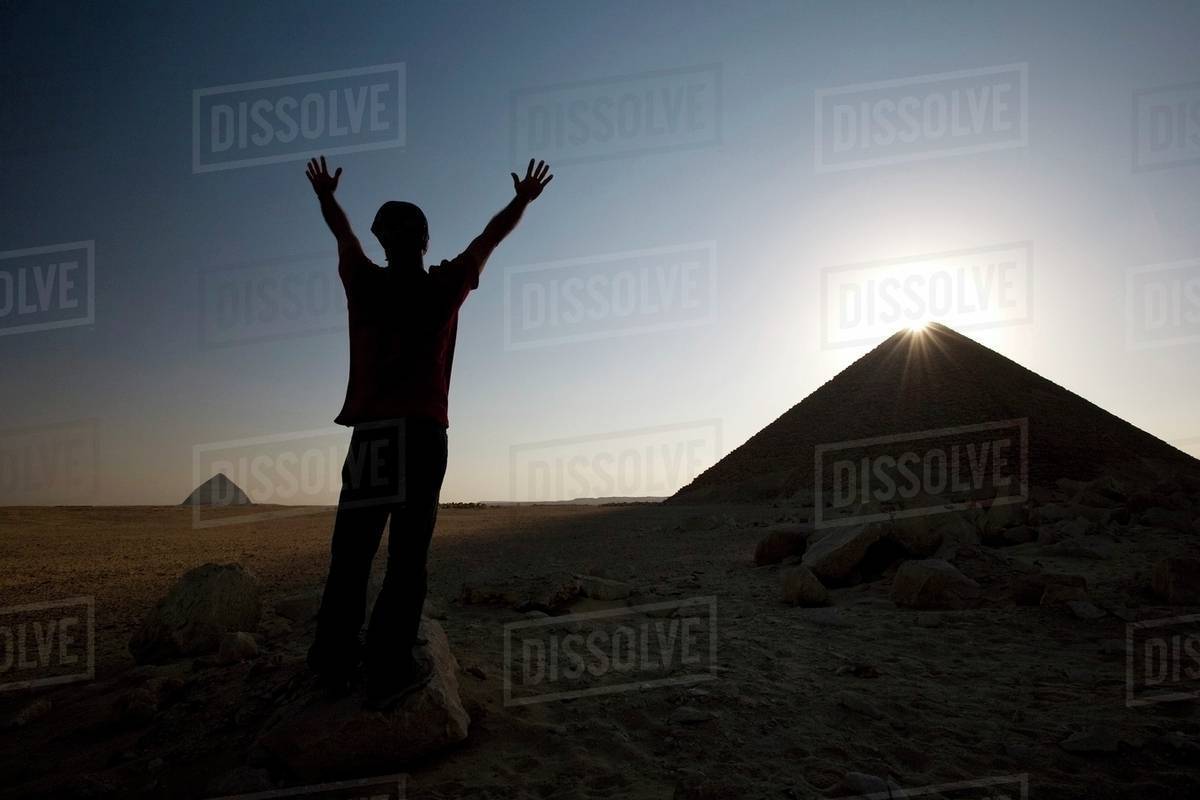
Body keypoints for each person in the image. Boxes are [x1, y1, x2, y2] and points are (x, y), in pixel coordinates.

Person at [304, 155, 553, 709]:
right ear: (423, 240)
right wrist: (523, 200)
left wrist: (326, 195)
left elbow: (342, 235)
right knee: (408, 556)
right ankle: (389, 664)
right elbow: (490, 238)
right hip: (422, 437)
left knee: (351, 553)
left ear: (384, 240)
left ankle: (332, 656)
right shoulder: (445, 286)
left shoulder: (364, 282)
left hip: (371, 438)